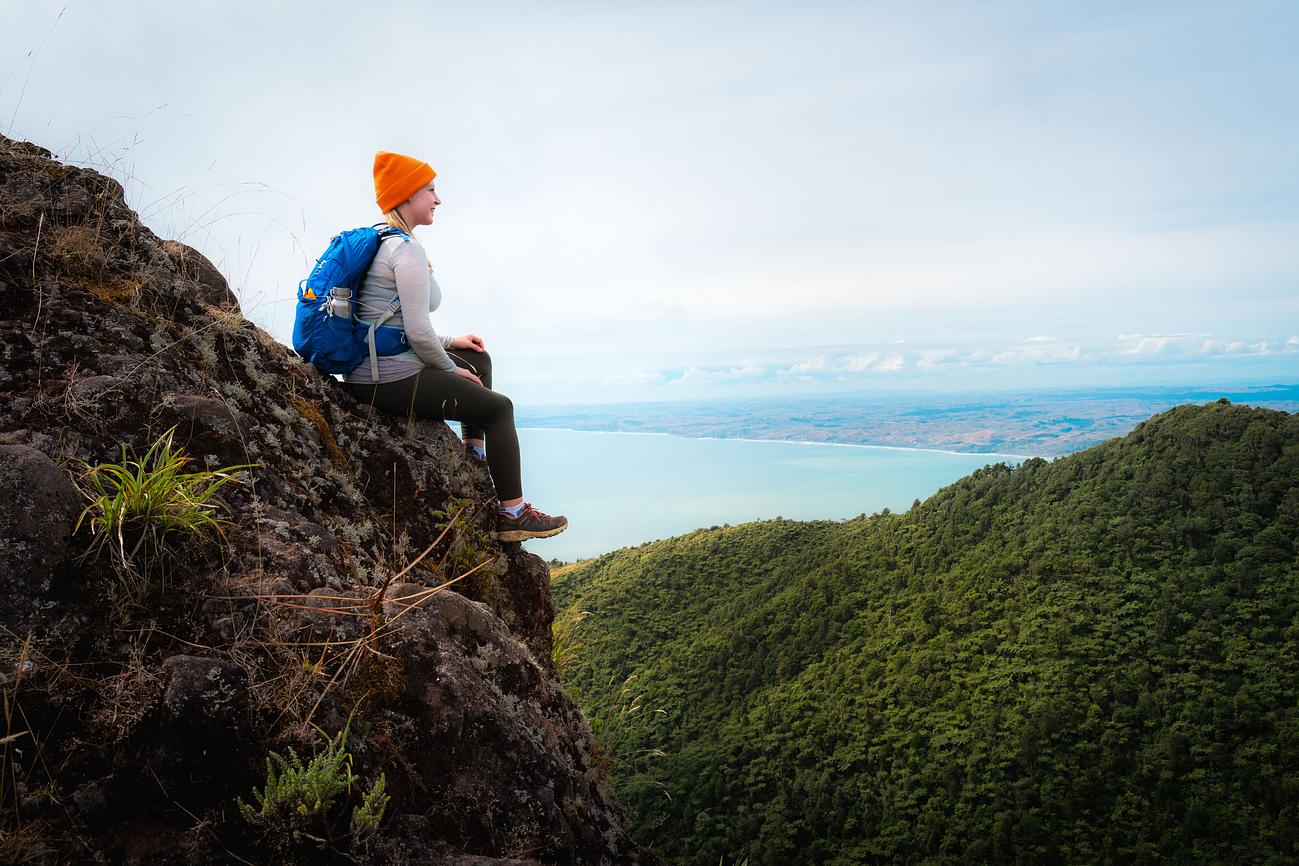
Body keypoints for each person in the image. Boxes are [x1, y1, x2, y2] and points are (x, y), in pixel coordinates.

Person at [342, 150, 567, 543]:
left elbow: (396, 322)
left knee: (477, 356)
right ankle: (513, 513)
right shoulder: (405, 251)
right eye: (430, 190)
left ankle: (473, 453)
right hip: (384, 380)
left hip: (375, 367)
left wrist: (453, 345)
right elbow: (416, 333)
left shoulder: (383, 241)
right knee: (500, 408)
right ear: (408, 195)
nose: (438, 199)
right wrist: (449, 369)